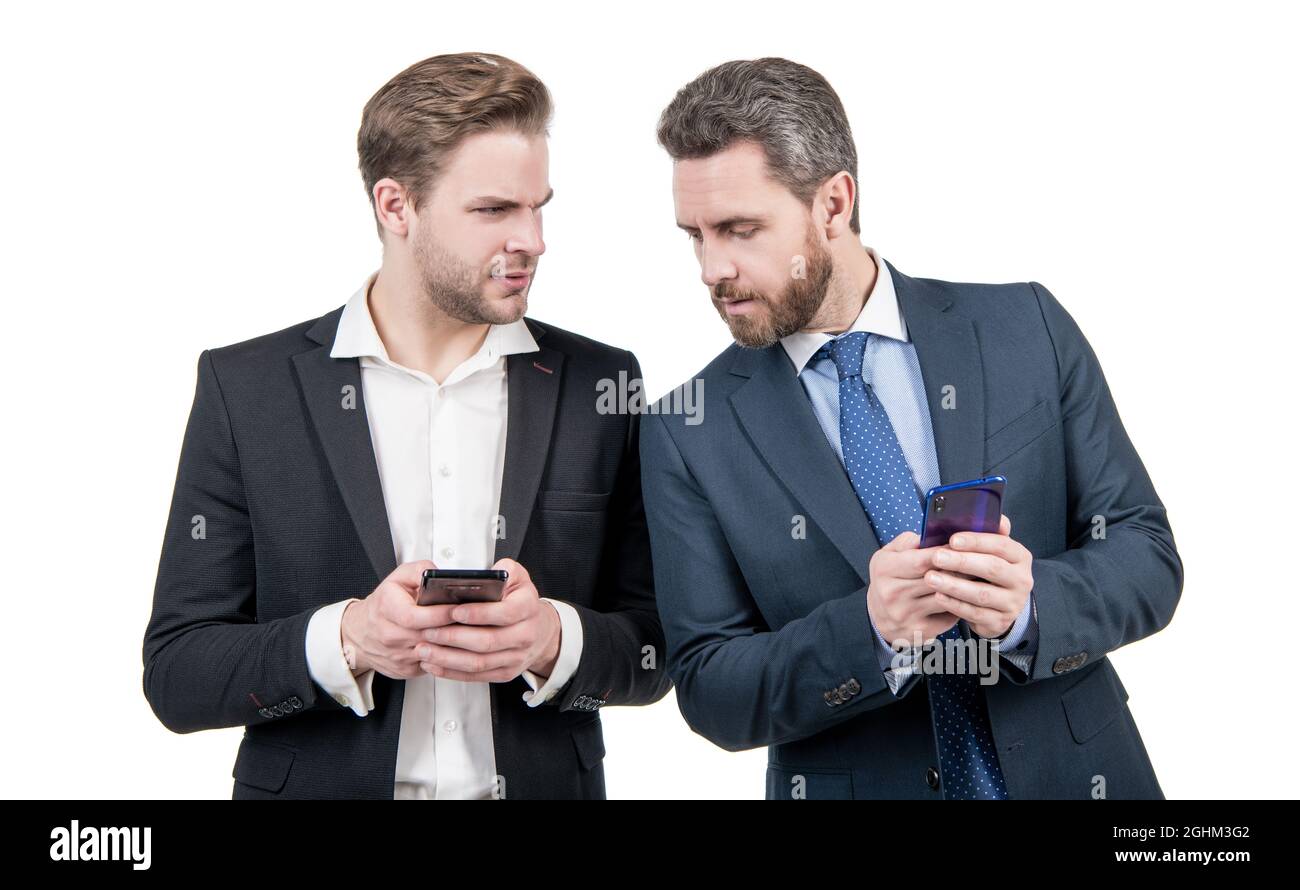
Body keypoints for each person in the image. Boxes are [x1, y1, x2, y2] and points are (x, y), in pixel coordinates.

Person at [641, 57, 1182, 799]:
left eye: (739, 230)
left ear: (833, 203)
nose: (711, 267)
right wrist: (870, 631)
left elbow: (1147, 556)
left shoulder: (1026, 327)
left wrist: (1029, 608)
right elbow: (709, 689)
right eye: (694, 235)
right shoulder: (685, 430)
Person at [143, 52, 669, 799]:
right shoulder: (246, 389)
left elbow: (659, 647)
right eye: (494, 211)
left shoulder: (599, 383)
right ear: (396, 207)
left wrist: (556, 639)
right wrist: (347, 639)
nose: (533, 239)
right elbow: (177, 674)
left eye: (538, 206)